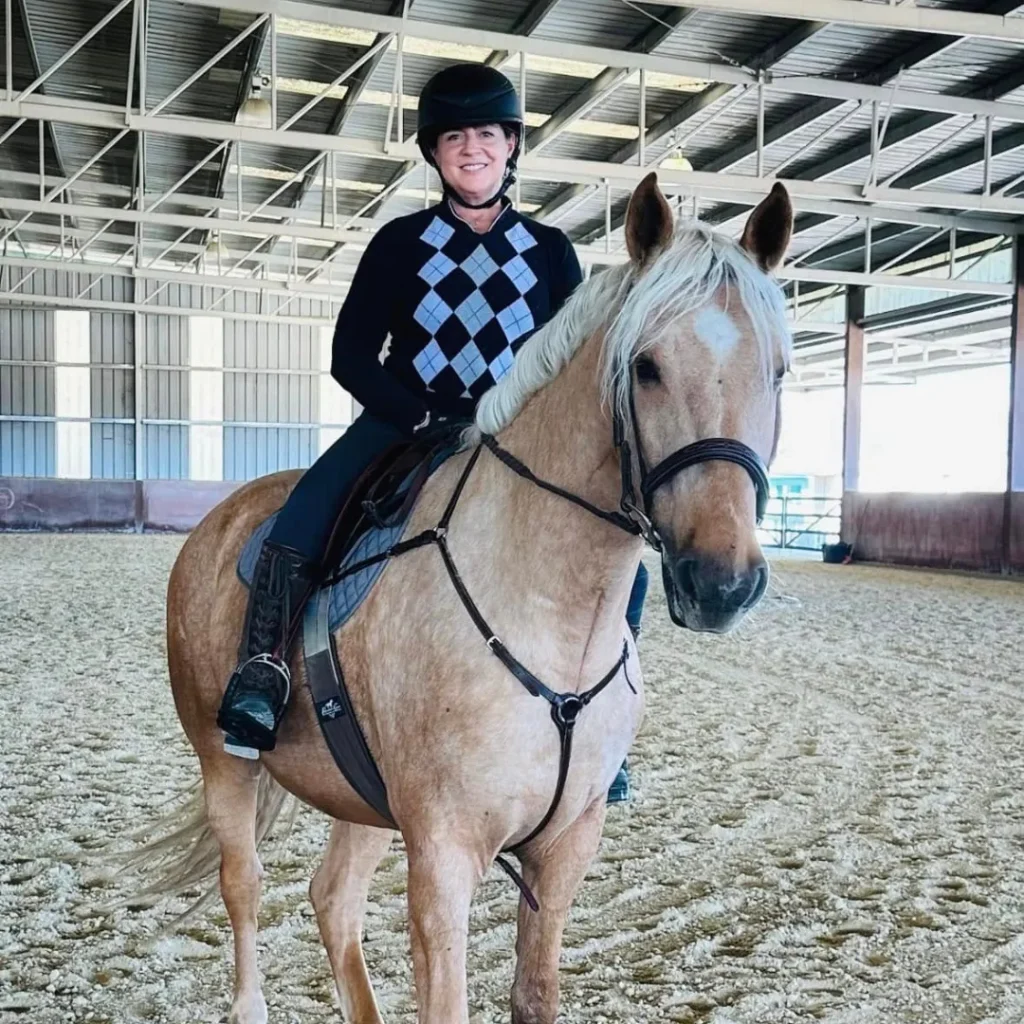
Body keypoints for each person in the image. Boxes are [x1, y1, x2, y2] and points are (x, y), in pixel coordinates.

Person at [217, 63, 645, 802]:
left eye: (486, 134)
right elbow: (351, 353)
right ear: (434, 152)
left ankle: (599, 712)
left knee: (621, 554)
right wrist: (412, 412)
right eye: (455, 136)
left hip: (512, 435)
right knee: (305, 516)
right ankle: (263, 672)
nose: (471, 148)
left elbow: (575, 362)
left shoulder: (548, 252)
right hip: (406, 420)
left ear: (511, 145)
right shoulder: (401, 243)